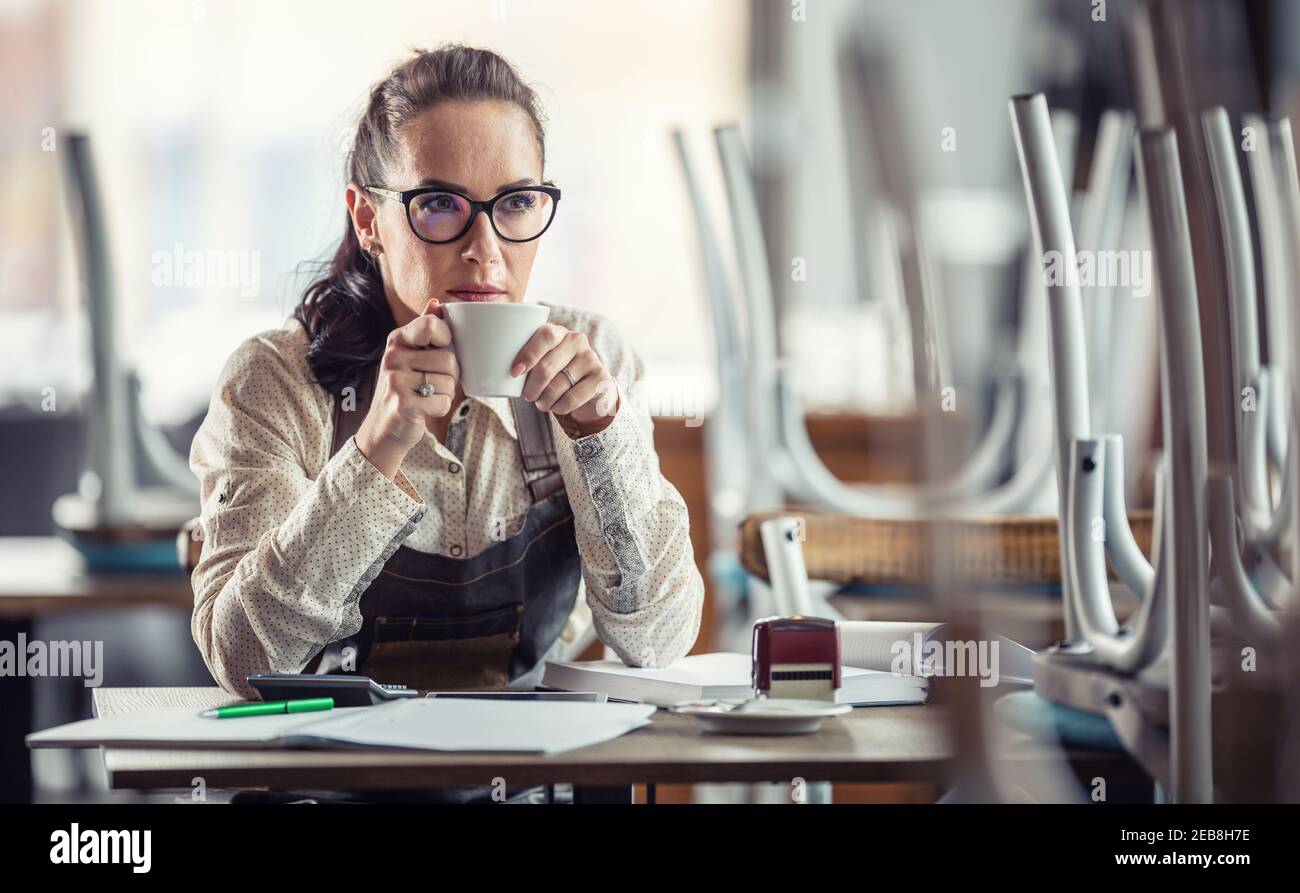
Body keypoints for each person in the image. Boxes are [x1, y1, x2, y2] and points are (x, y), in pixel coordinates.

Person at [189, 44, 703, 703]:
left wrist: (602, 434)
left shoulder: (596, 354)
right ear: (368, 219)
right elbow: (243, 657)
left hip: (526, 770)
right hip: (331, 779)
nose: (485, 251)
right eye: (440, 204)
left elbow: (658, 640)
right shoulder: (274, 380)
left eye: (516, 202)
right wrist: (378, 448)